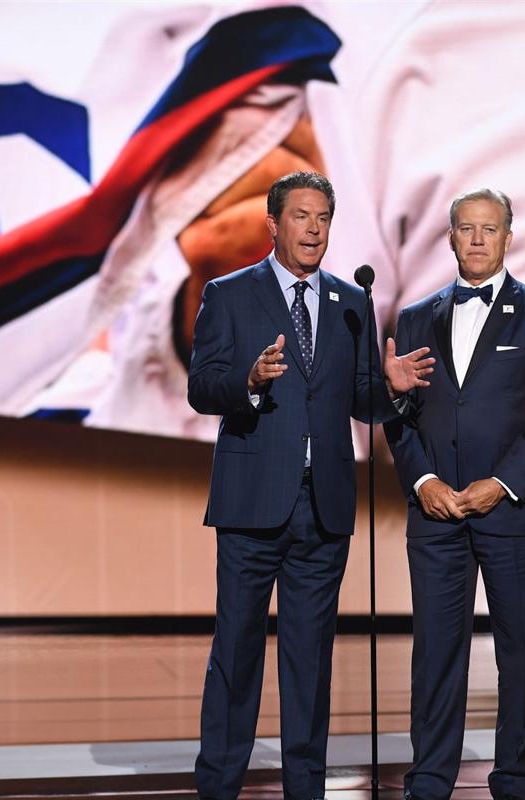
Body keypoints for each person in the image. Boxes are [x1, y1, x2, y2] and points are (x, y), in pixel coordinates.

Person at [188, 171, 432, 800]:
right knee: (237, 654)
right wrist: (247, 379)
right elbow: (202, 386)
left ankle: (307, 788)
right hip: (251, 504)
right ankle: (218, 785)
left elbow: (360, 401)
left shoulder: (351, 303)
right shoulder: (229, 294)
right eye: (302, 216)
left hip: (323, 508)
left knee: (309, 663)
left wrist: (392, 388)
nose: (315, 229)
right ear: (274, 225)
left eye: (324, 217)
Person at [383, 190, 525, 800]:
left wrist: (501, 485)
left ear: (508, 237)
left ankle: (514, 780)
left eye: (487, 229)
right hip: (436, 514)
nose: (475, 239)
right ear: (450, 237)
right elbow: (399, 414)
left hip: (513, 512)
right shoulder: (414, 318)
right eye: (465, 228)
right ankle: (430, 780)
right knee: (436, 654)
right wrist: (424, 482)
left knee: (518, 655)